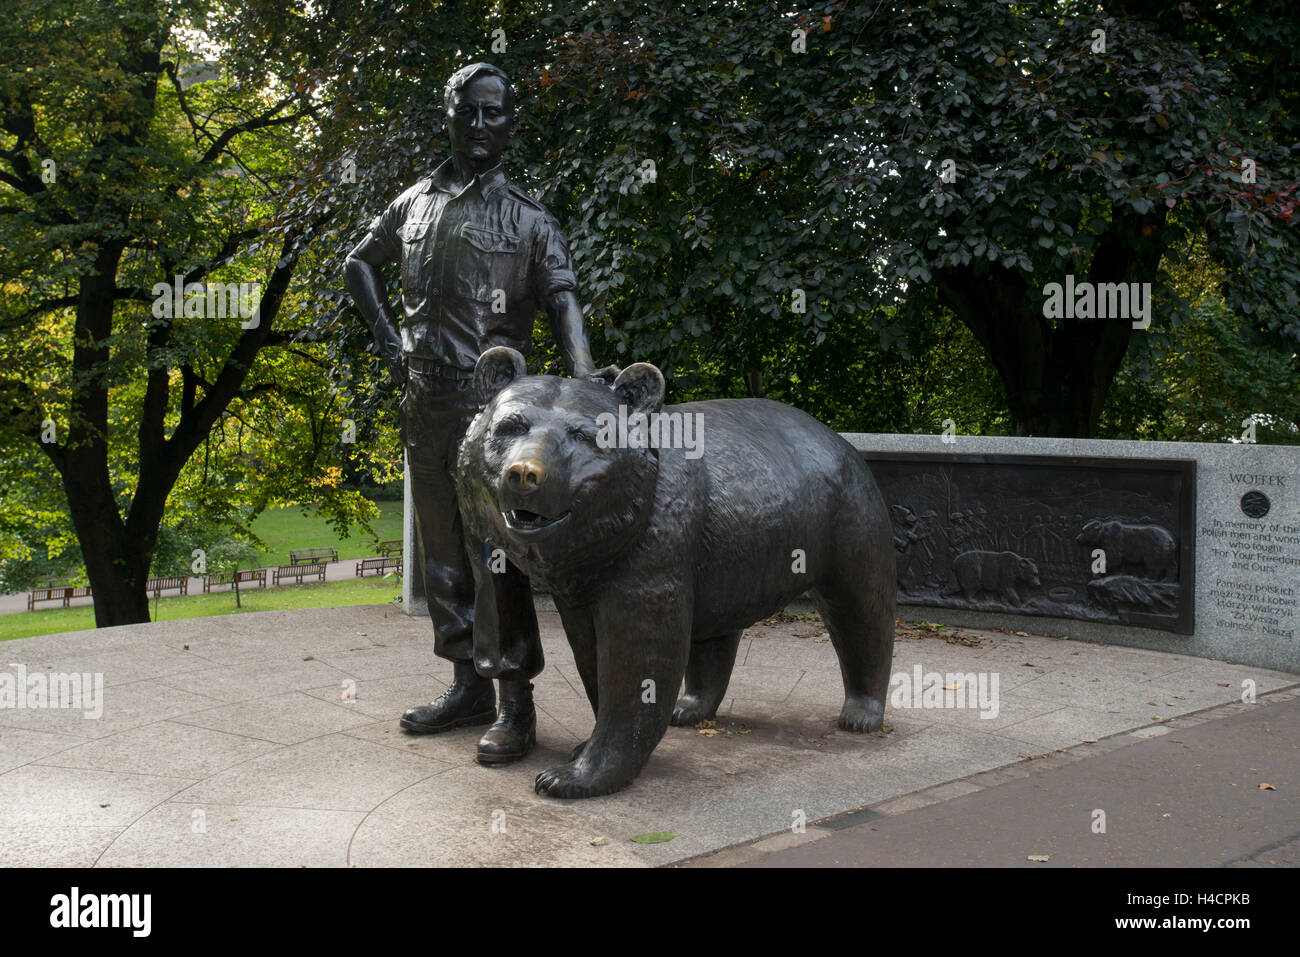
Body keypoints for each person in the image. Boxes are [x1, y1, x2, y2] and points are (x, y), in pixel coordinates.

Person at [344, 62, 611, 765]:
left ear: (511, 121)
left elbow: (563, 301)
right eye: (471, 111)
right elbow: (357, 265)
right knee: (443, 557)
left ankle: (514, 705)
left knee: (496, 558)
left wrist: (584, 377)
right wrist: (386, 334)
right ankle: (466, 684)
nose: (483, 124)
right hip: (423, 402)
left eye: (496, 113)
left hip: (491, 413)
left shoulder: (528, 218)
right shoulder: (412, 205)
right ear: (450, 113)